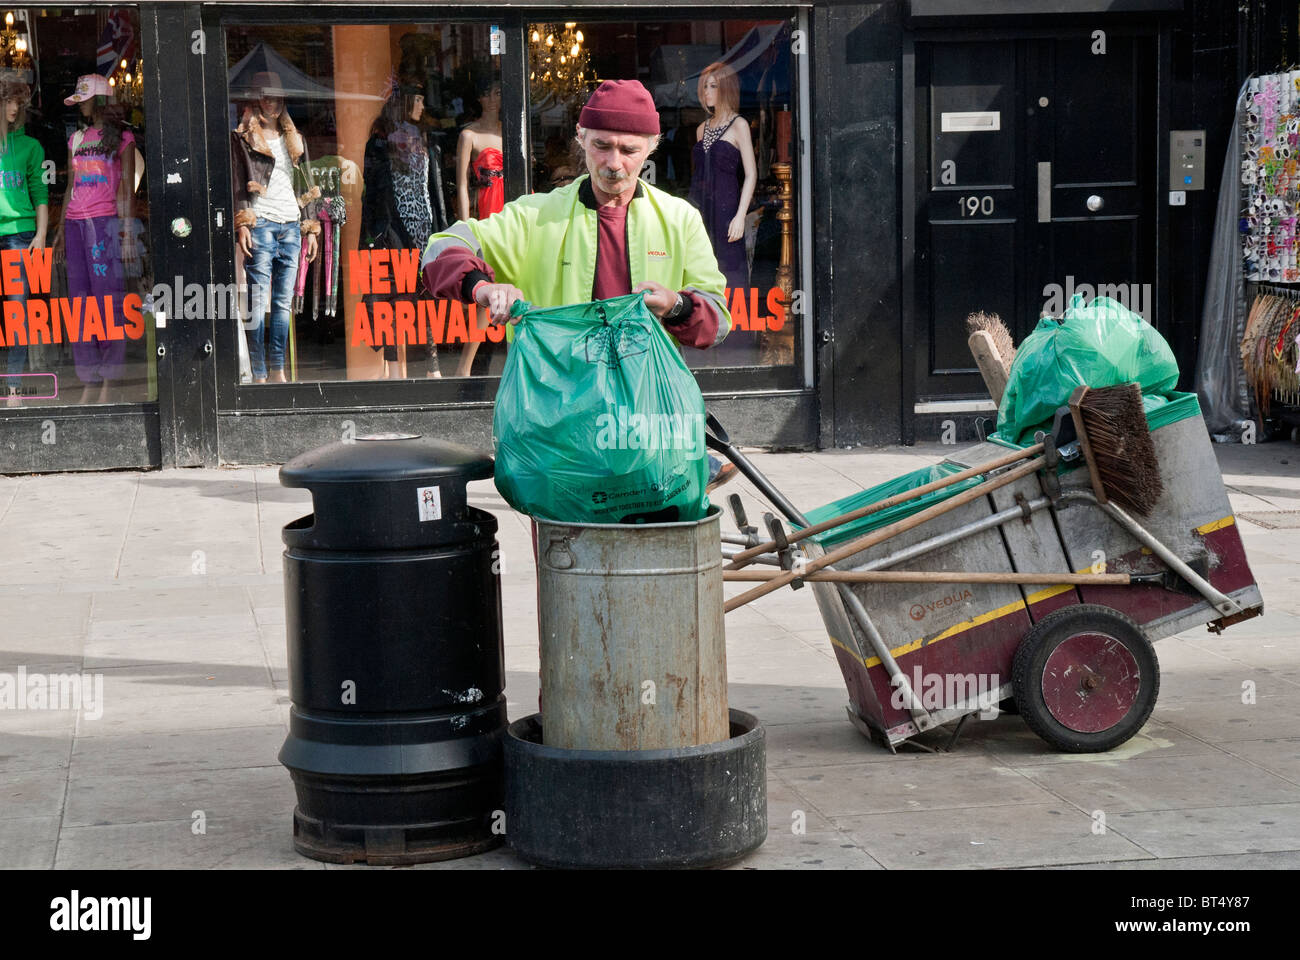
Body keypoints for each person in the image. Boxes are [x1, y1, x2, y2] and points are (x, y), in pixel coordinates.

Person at [422, 78, 738, 489]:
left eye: (629, 150)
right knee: (566, 547)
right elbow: (440, 249)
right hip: (557, 429)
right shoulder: (536, 216)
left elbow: (717, 320)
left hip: (647, 428)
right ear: (581, 137)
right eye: (601, 146)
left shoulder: (680, 220)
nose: (614, 163)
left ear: (652, 146)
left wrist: (676, 305)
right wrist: (482, 287)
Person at [230, 71, 321, 384]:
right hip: (262, 223)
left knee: (283, 303)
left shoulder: (295, 139)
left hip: (291, 225)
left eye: (278, 96)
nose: (273, 102)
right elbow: (238, 184)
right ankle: (259, 373)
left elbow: (305, 182)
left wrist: (310, 228)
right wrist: (243, 223)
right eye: (267, 96)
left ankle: (278, 369)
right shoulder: (243, 137)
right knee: (257, 301)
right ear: (257, 99)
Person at [52, 73, 137, 405]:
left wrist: (128, 233)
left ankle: (109, 377)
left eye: (85, 98)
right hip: (75, 225)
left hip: (103, 224)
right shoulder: (75, 139)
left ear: (100, 100)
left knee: (107, 302)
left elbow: (126, 188)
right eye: (79, 100)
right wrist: (59, 232)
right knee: (80, 304)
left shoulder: (122, 139)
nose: (82, 104)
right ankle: (88, 376)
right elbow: (70, 189)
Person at [361, 78, 445, 378]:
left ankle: (432, 367)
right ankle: (395, 368)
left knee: (427, 296)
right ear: (404, 101)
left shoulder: (425, 137)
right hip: (394, 227)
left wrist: (441, 226)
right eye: (417, 99)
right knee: (395, 299)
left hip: (425, 225)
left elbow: (432, 189)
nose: (422, 106)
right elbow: (371, 192)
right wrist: (375, 232)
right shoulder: (381, 140)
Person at [0, 75, 46, 407]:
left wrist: (42, 234)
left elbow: (41, 195)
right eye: (8, 101)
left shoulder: (31, 146)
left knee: (17, 312)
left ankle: (14, 388)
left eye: (18, 101)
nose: (13, 108)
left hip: (20, 235)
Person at [691, 60, 756, 294]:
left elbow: (751, 174)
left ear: (725, 88)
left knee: (730, 271)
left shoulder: (739, 125)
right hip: (701, 207)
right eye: (705, 87)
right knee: (702, 269)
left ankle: (737, 329)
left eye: (713, 86)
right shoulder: (701, 129)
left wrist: (740, 215)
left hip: (728, 210)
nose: (707, 92)